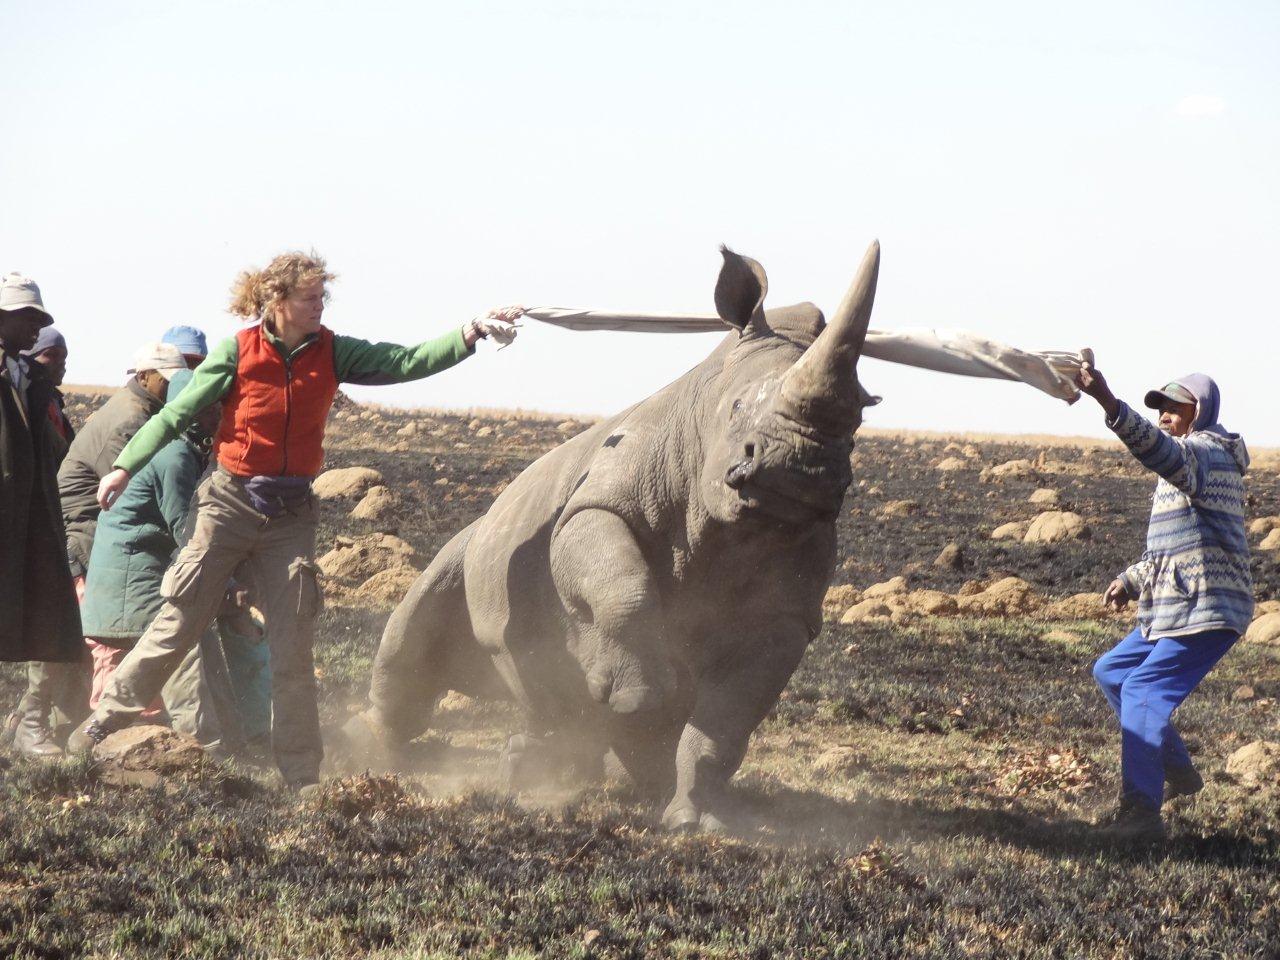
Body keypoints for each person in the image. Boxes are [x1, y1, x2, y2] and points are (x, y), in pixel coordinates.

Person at [73, 250, 522, 792]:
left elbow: (405, 362)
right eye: (310, 297)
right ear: (277, 301)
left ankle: (301, 776)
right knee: (180, 620)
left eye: (322, 297)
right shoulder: (236, 353)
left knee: (292, 648)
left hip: (290, 514)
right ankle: (109, 716)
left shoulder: (331, 351)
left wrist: (470, 333)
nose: (320, 306)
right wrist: (123, 468)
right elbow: (174, 415)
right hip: (229, 505)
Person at [1076, 361, 1252, 841]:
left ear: (1201, 412)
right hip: (1178, 603)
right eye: (1161, 408)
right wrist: (1133, 578)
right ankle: (1177, 772)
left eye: (1176, 408)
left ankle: (1141, 814)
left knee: (1144, 691)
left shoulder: (1204, 455)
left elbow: (1158, 451)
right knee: (1112, 671)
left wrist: (1108, 402)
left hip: (1208, 607)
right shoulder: (1192, 462)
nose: (1165, 416)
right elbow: (1172, 545)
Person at [6, 339, 188, 756]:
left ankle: (43, 721)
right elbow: (128, 492)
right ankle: (36, 722)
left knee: (78, 635)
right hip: (81, 532)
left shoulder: (144, 412)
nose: (173, 389)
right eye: (167, 381)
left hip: (87, 526)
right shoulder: (130, 418)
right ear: (144, 377)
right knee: (78, 631)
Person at [78, 368, 270, 753]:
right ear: (191, 409)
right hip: (137, 581)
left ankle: (232, 748)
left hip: (146, 574)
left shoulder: (186, 450)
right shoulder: (176, 456)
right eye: (213, 405)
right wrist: (228, 584)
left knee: (204, 653)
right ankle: (202, 752)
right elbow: (187, 532)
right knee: (186, 656)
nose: (221, 413)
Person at [0, 275, 83, 743]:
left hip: (29, 521)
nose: (34, 327)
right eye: (26, 317)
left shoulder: (31, 382)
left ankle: (31, 726)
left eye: (39, 320)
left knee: (44, 620)